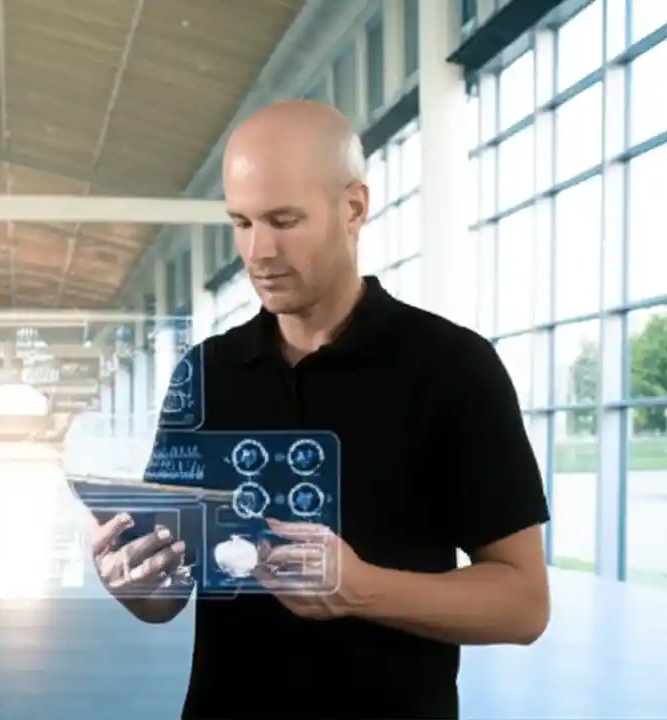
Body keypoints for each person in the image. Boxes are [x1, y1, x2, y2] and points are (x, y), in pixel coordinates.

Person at [90, 99, 551, 719]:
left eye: (284, 220)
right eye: (243, 223)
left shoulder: (452, 367)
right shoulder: (206, 373)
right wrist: (133, 581)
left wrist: (361, 589)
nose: (258, 252)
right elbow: (170, 592)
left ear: (354, 207)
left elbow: (524, 603)